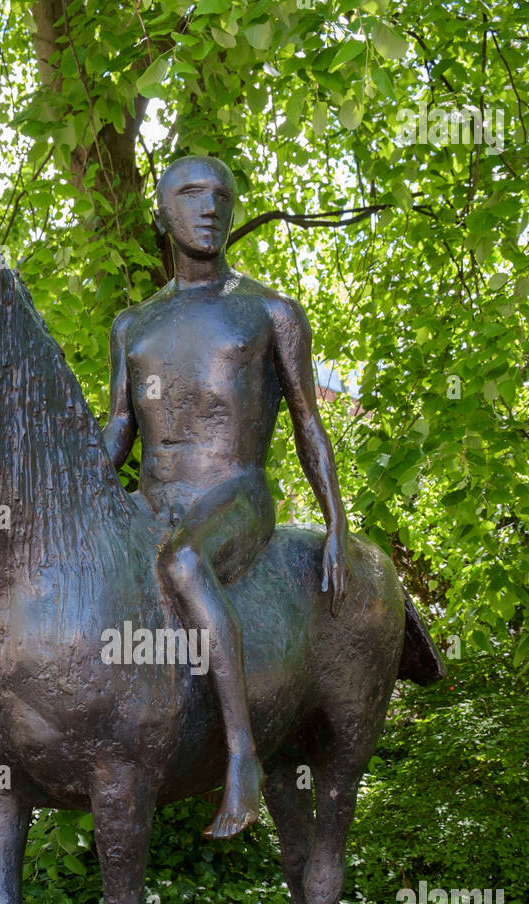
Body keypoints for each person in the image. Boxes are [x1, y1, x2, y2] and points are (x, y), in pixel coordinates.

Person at [103, 156, 349, 838]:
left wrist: (335, 522)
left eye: (220, 195)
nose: (208, 206)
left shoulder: (267, 312)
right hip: (154, 501)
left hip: (235, 497)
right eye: (189, 194)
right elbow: (120, 428)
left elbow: (307, 422)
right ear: (161, 213)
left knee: (181, 561)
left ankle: (242, 757)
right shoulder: (133, 326)